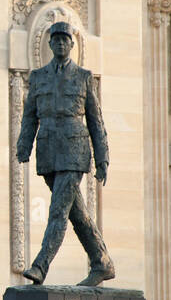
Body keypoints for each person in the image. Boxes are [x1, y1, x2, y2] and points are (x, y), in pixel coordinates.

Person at [16, 21, 114, 286]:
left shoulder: (84, 77)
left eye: (65, 40)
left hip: (74, 151)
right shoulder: (38, 77)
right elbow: (29, 117)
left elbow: (96, 121)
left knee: (58, 211)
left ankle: (40, 265)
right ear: (49, 44)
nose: (60, 43)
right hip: (48, 151)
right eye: (56, 39)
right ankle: (101, 261)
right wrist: (23, 146)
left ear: (72, 45)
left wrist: (102, 158)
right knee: (77, 213)